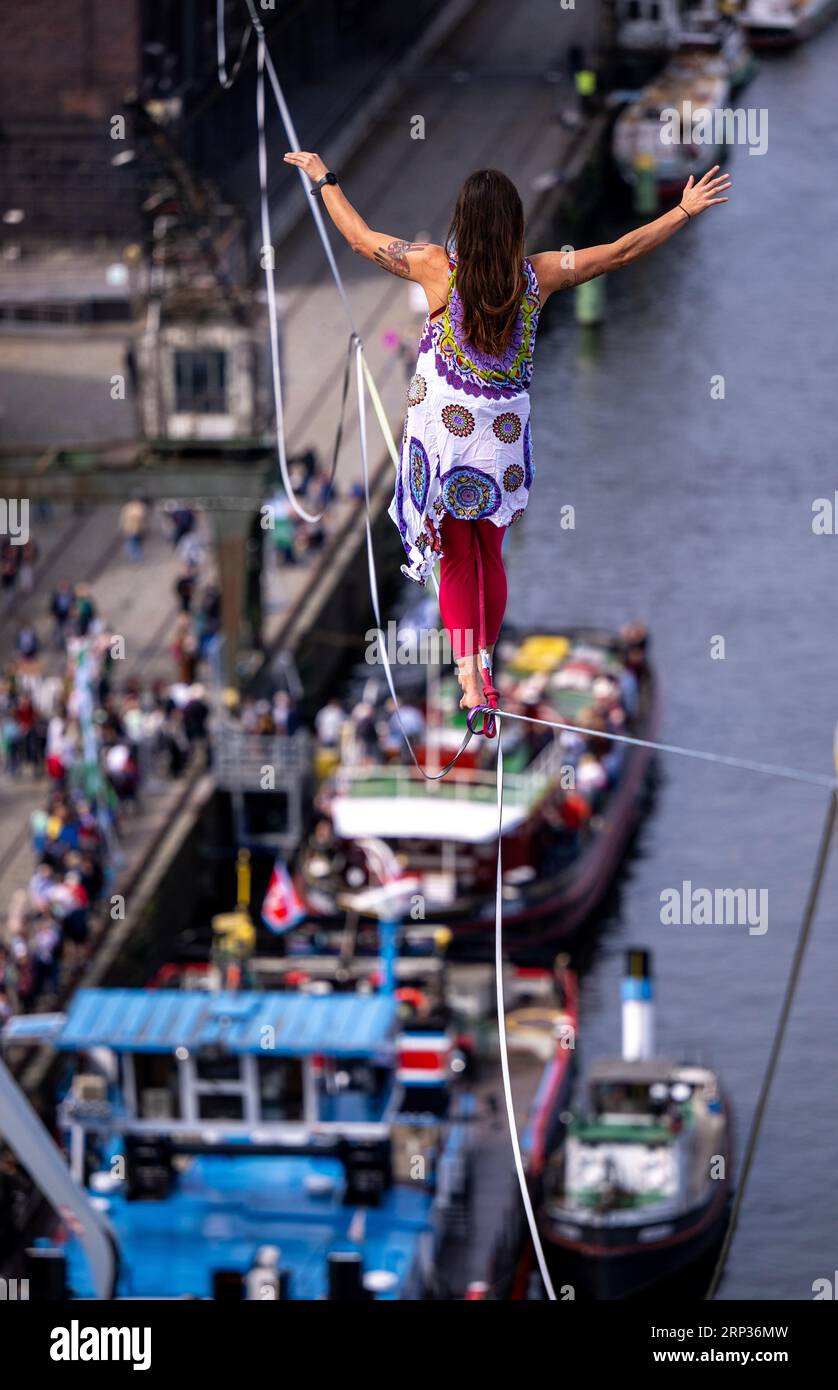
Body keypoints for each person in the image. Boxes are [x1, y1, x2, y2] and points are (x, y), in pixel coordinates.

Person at [283, 153, 732, 715]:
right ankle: (487, 661)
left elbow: (358, 238)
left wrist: (324, 179)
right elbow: (620, 252)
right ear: (515, 225)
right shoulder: (539, 275)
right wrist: (682, 212)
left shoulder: (435, 268)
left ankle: (470, 680)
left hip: (447, 441)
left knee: (453, 557)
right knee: (488, 550)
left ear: (463, 223)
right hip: (500, 444)